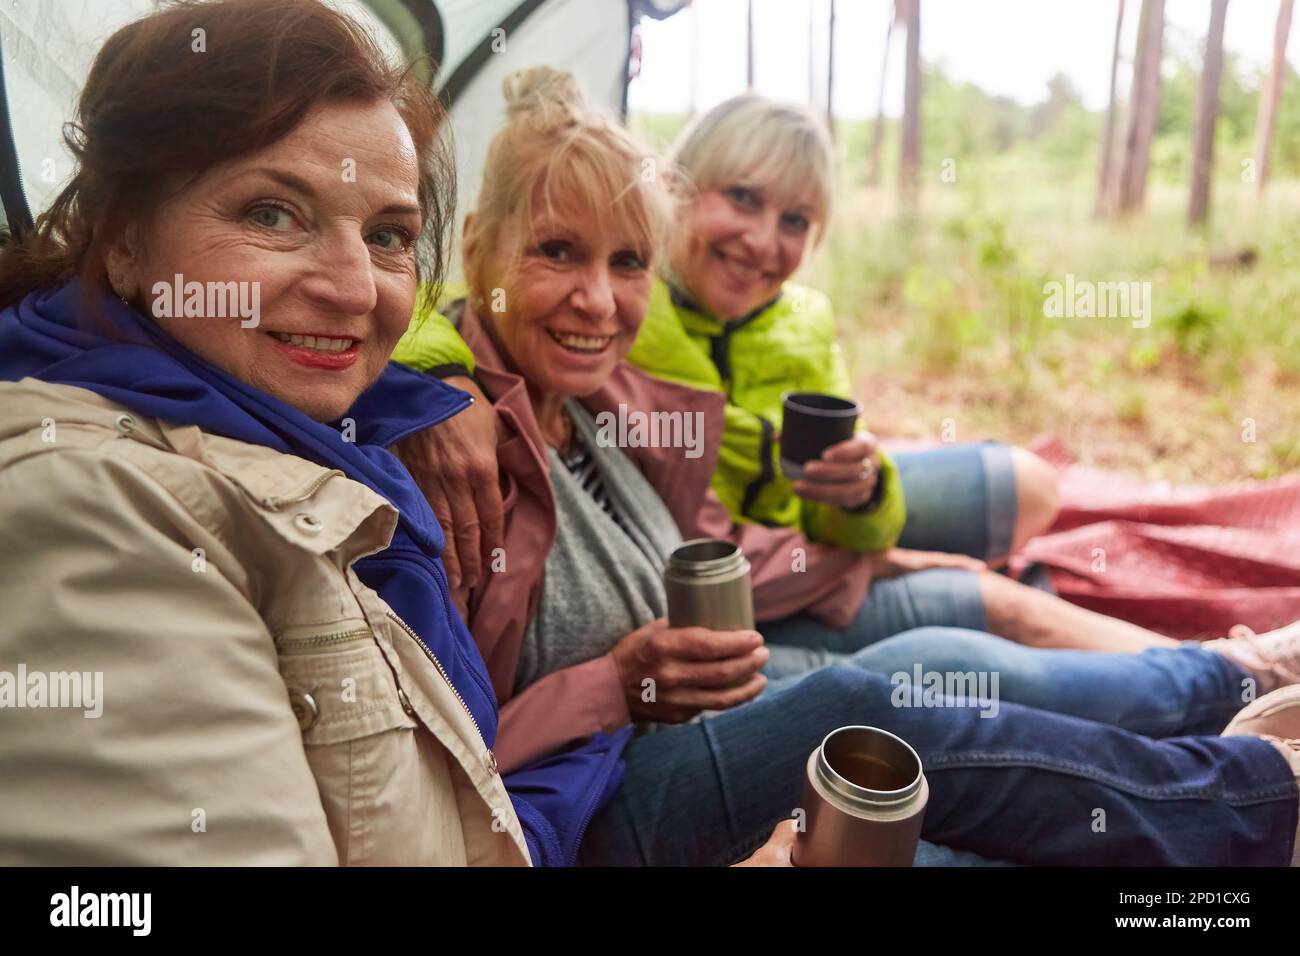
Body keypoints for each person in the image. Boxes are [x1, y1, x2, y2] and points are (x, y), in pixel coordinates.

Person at [409, 66, 1300, 867]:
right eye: (556, 251)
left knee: (927, 671)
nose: (598, 298)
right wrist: (437, 381)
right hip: (581, 800)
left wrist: (870, 520)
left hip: (699, 690)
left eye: (626, 262)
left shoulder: (609, 403)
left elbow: (730, 539)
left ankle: (1231, 703)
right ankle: (1252, 786)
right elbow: (434, 763)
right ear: (479, 242)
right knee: (876, 703)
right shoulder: (446, 445)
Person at [0, 0, 618, 867]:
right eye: (272, 215)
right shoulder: (91, 508)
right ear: (124, 238)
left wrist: (592, 754)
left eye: (388, 234)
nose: (356, 289)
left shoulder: (326, 446)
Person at [393, 95, 1197, 658]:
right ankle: (1237, 674)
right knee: (992, 602)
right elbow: (439, 307)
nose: (761, 241)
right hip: (737, 550)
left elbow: (841, 498)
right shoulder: (621, 319)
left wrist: (866, 494)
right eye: (741, 199)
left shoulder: (802, 320)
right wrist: (445, 382)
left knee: (1032, 487)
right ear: (676, 196)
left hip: (798, 530)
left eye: (795, 221)